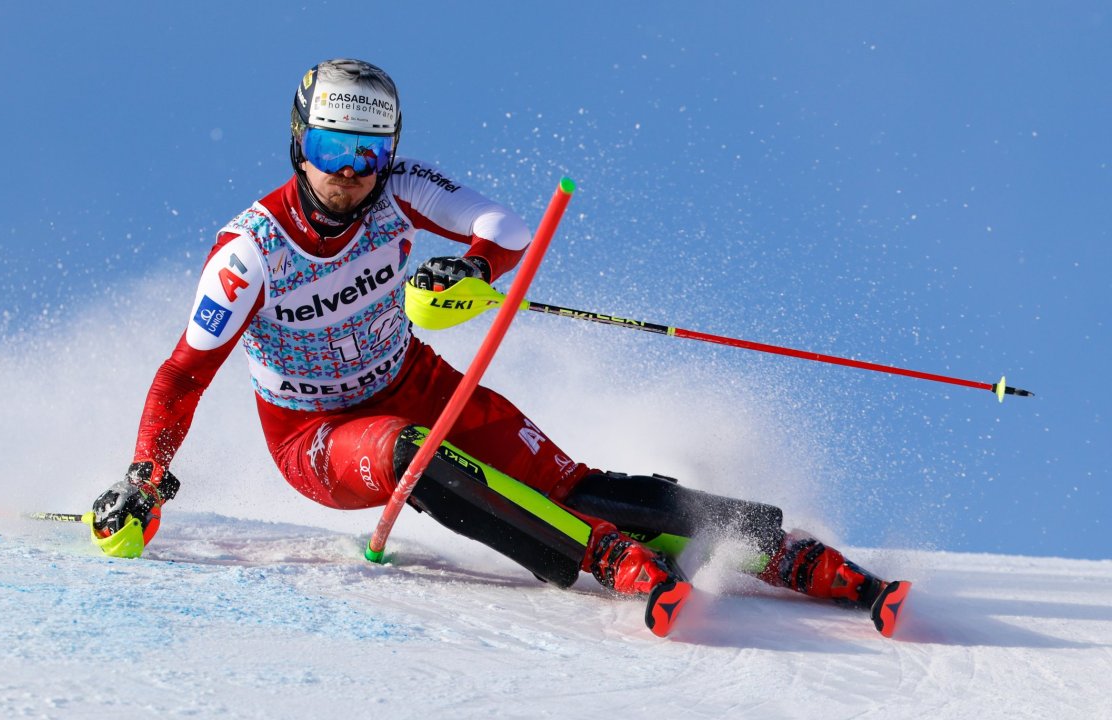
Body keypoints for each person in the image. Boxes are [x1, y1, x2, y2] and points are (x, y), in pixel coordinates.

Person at [86, 58, 909, 637]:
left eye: (368, 156)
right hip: (317, 437)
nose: (351, 175)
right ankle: (610, 561)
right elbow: (181, 375)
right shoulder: (249, 253)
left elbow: (504, 229)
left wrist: (468, 267)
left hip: (413, 377)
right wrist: (145, 476)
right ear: (300, 143)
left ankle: (773, 544)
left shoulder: (399, 192)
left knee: (567, 480)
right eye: (334, 153)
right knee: (421, 454)